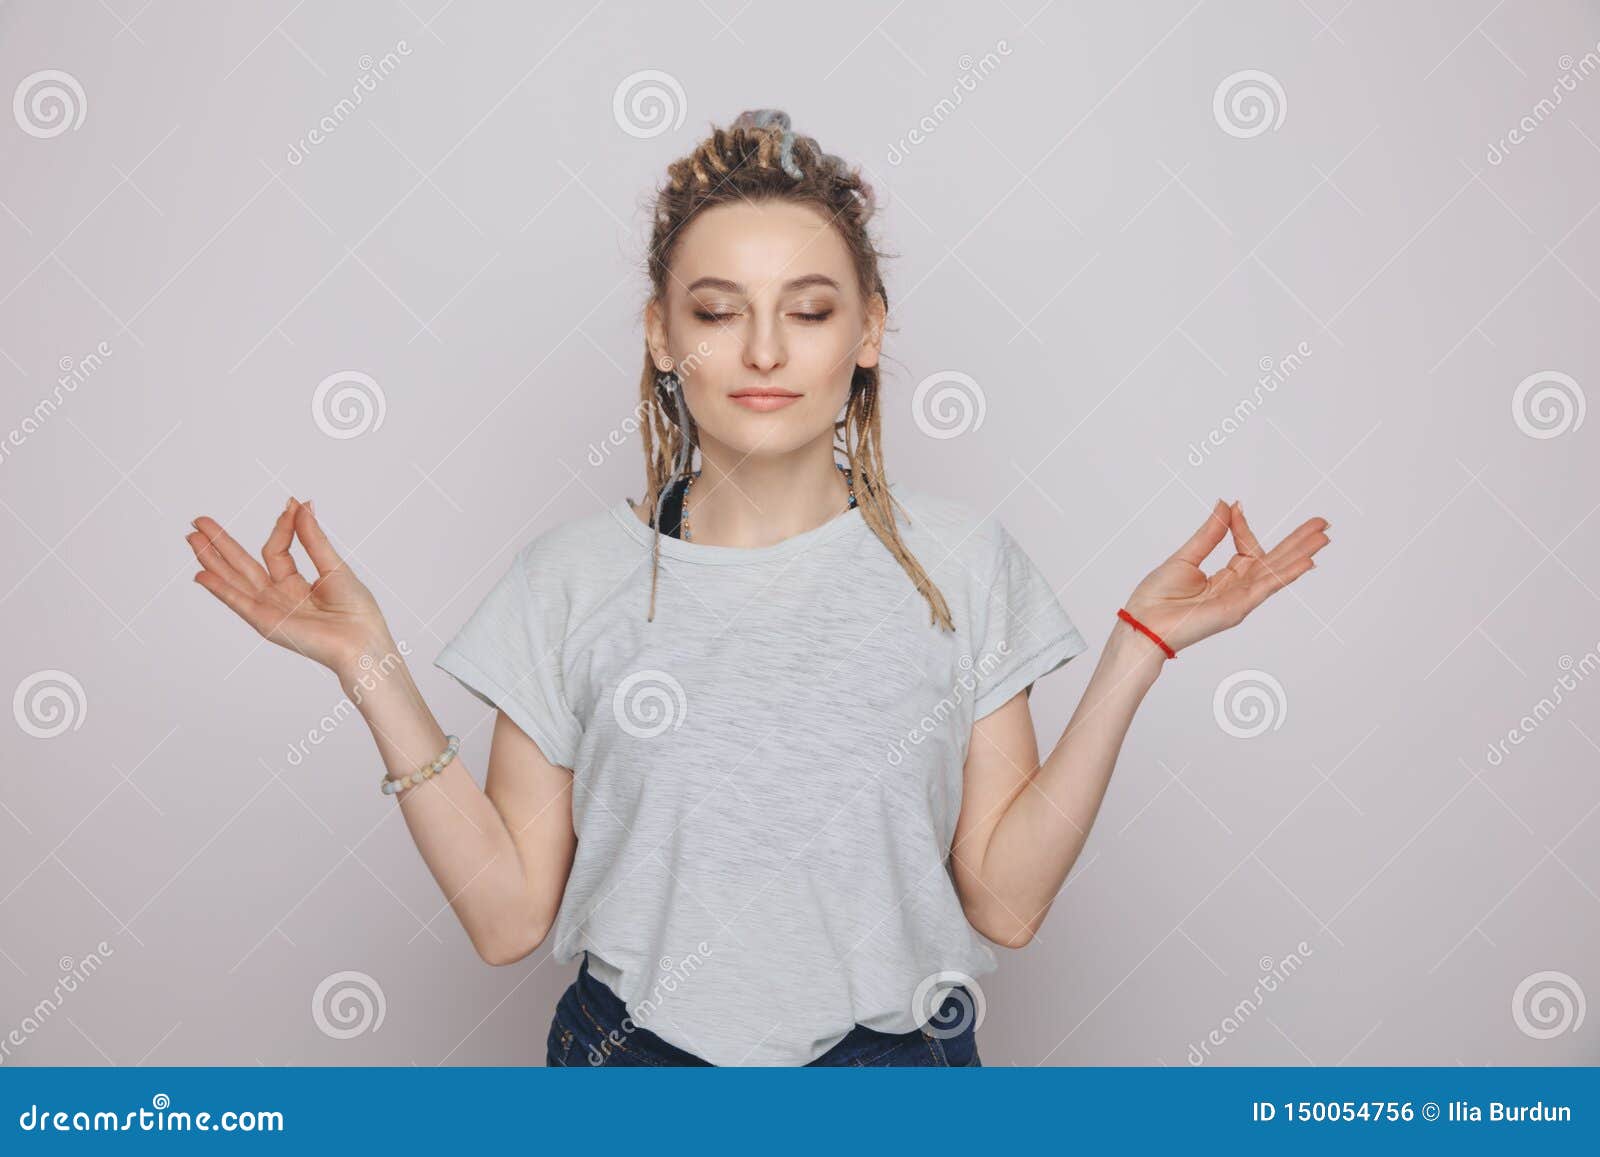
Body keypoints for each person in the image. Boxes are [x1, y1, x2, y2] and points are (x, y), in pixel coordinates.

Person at [186, 109, 1330, 1067]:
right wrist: (368, 664)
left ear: (869, 331)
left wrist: (1136, 647)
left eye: (813, 309)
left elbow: (1005, 902)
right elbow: (506, 917)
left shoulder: (962, 564)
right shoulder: (569, 577)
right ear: (662, 335)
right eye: (718, 310)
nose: (766, 352)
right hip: (628, 1065)